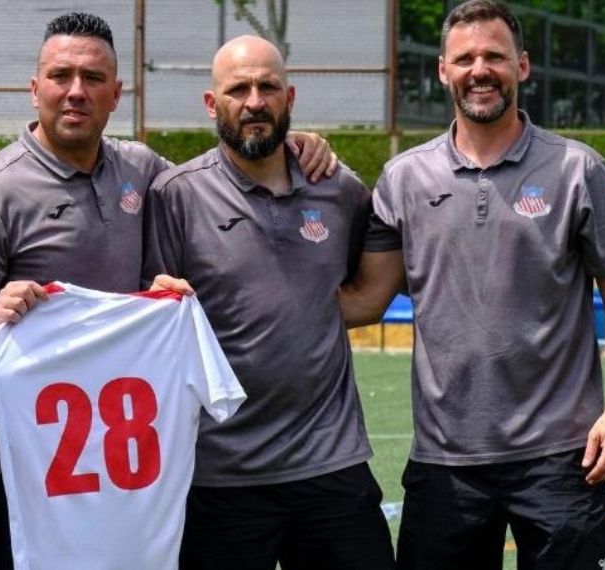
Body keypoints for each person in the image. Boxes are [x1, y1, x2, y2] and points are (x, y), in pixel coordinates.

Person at [0, 12, 339, 570]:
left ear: (116, 94)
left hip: (119, 461)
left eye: (93, 79)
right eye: (61, 76)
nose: (75, 92)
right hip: (12, 462)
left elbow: (221, 173)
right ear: (34, 88)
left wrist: (291, 142)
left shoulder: (140, 169)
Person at [340, 1, 605, 568]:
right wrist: (236, 303)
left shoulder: (578, 169)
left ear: (522, 67)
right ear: (443, 71)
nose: (480, 69)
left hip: (562, 456)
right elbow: (365, 299)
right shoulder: (404, 178)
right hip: (446, 460)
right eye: (466, 58)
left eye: (495, 57)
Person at [140, 35, 395, 570]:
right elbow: (154, 319)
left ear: (289, 97)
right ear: (213, 104)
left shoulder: (339, 189)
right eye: (238, 88)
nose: (254, 100)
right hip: (221, 474)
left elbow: (365, 286)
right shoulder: (175, 196)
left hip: (331, 465)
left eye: (268, 86)